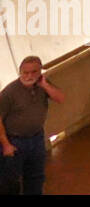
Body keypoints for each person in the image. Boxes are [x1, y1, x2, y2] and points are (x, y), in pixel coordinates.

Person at [0, 57, 64, 195]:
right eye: (25, 72)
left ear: (40, 72)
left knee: (36, 177)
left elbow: (60, 98)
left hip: (36, 138)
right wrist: (5, 144)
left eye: (33, 72)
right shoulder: (9, 93)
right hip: (15, 141)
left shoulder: (43, 86)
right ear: (20, 72)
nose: (29, 76)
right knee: (10, 179)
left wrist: (45, 85)